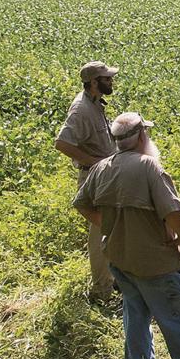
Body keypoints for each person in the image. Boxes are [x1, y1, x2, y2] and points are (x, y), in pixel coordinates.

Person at [72, 112, 180, 359]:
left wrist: (109, 227)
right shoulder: (149, 166)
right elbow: (172, 211)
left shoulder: (101, 168)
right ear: (140, 137)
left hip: (121, 261)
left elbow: (81, 203)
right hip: (157, 263)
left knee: (135, 323)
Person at [55, 60, 118, 302]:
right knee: (101, 231)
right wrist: (94, 162)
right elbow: (62, 143)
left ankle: (111, 282)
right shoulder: (81, 109)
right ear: (94, 82)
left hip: (104, 176)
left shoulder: (95, 103)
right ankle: (102, 291)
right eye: (107, 78)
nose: (111, 81)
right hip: (93, 177)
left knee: (109, 229)